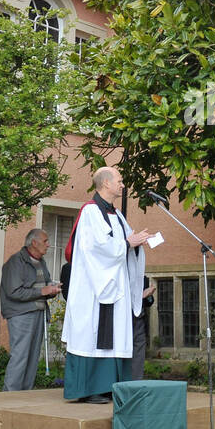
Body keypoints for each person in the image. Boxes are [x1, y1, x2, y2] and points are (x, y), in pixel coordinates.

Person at [62, 166, 149, 403]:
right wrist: (128, 242)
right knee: (93, 335)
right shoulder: (90, 212)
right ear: (106, 183)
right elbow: (97, 249)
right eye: (119, 181)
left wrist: (138, 242)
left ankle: (110, 387)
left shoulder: (117, 214)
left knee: (114, 336)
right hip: (95, 288)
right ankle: (89, 389)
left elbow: (124, 242)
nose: (122, 185)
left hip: (114, 286)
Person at [0, 229, 59, 391]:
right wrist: (43, 291)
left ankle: (25, 396)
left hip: (38, 313)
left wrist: (52, 289)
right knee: (20, 356)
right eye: (45, 241)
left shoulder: (41, 262)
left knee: (33, 358)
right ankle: (9, 397)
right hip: (21, 315)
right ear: (34, 243)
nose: (48, 245)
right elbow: (13, 292)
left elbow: (44, 287)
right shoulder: (15, 262)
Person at [132, 276, 156, 381]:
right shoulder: (121, 274)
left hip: (139, 320)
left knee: (139, 353)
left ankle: (136, 382)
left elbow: (149, 302)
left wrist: (149, 296)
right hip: (125, 320)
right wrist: (141, 296)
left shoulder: (143, 278)